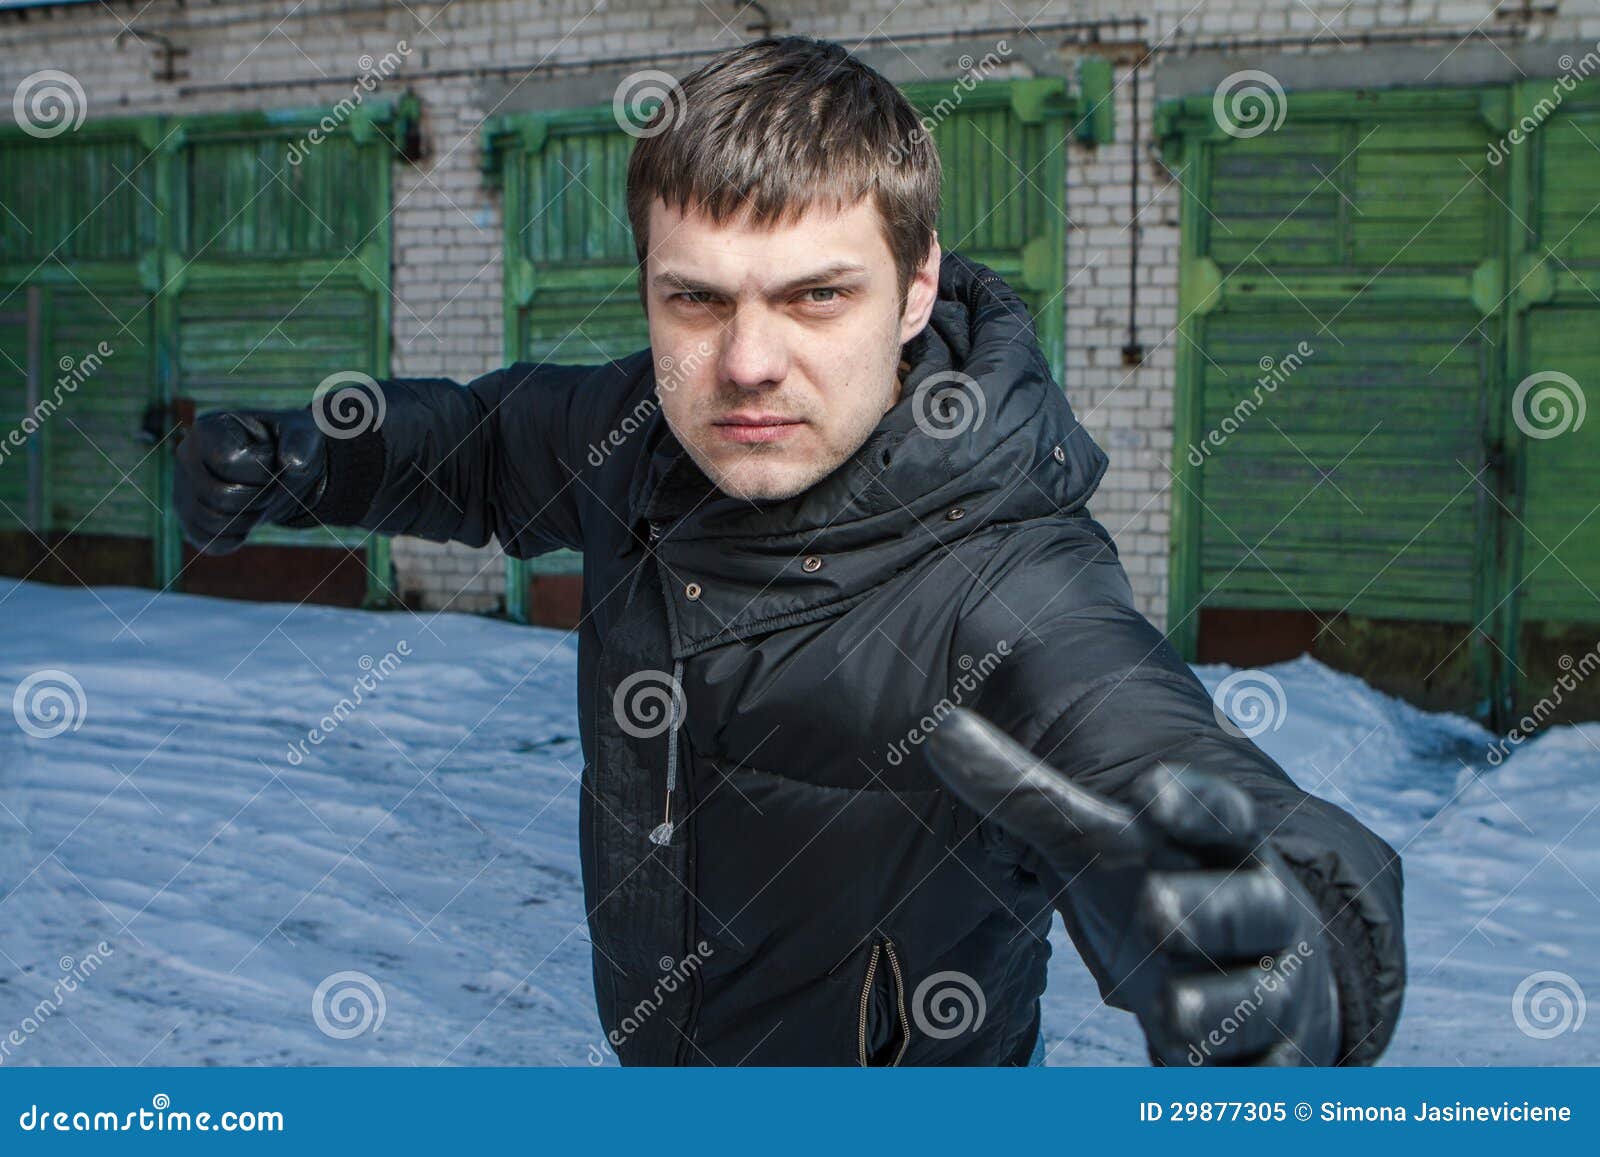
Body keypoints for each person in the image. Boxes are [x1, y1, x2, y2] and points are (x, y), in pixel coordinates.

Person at [173, 35, 1404, 1067]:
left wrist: (1293, 921)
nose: (747, 363)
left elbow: (1136, 721)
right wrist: (301, 458)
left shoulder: (1004, 571)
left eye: (817, 296)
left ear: (916, 291)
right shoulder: (634, 432)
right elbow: (482, 446)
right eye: (696, 298)